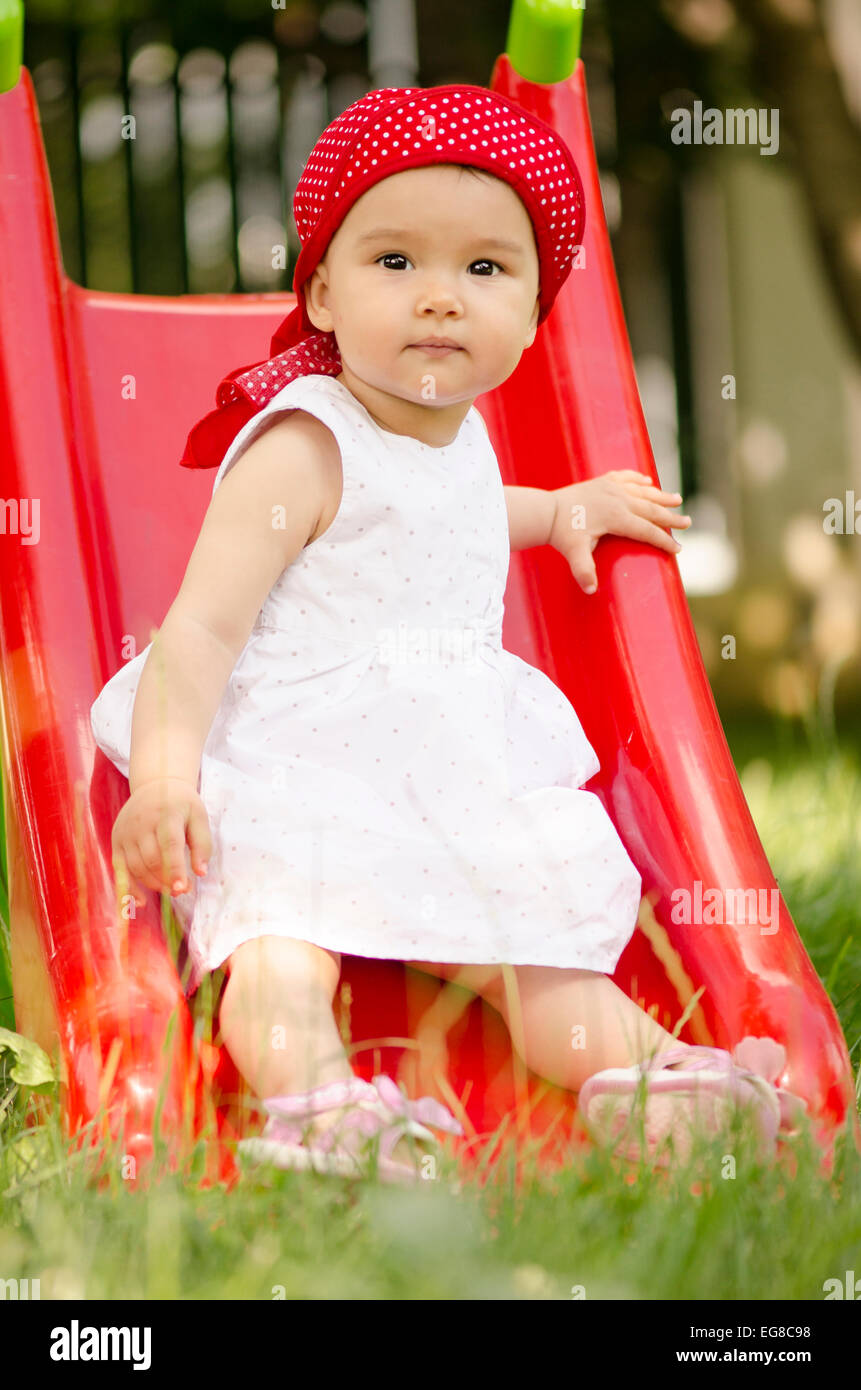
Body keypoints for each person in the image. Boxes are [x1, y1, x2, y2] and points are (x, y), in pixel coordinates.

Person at [91, 84, 796, 1183]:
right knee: (280, 949)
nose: (439, 300)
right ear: (321, 293)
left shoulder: (459, 440)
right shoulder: (302, 446)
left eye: (484, 269)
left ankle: (658, 1085)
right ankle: (320, 1112)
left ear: (532, 308)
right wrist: (168, 778)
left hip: (447, 769)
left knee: (540, 958)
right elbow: (199, 631)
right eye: (394, 263)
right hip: (304, 764)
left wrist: (563, 509)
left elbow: (460, 510)